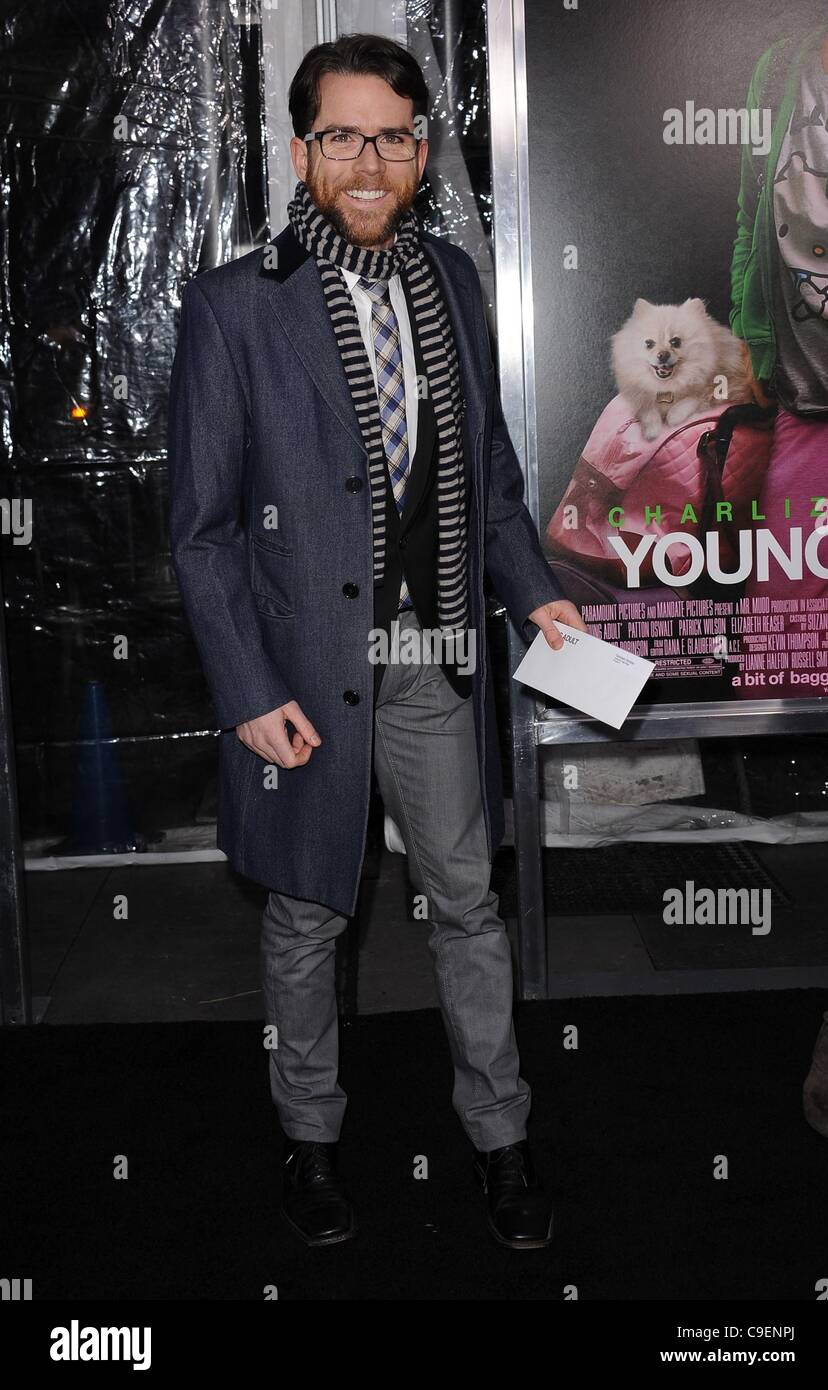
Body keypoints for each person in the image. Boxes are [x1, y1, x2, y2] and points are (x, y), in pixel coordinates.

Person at [167, 32, 587, 1248]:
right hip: (298, 673)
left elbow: (489, 480)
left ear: (420, 149)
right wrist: (246, 687)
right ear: (300, 152)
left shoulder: (454, 278)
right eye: (341, 135)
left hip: (428, 655)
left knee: (466, 902)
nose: (368, 160)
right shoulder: (233, 308)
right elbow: (197, 532)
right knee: (306, 914)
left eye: (392, 135)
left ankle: (499, 1140)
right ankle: (308, 1145)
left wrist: (534, 594)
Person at [729, 3, 828, 1136]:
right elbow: (746, 220)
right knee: (812, 695)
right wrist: (747, 353)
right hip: (810, 413)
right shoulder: (774, 68)